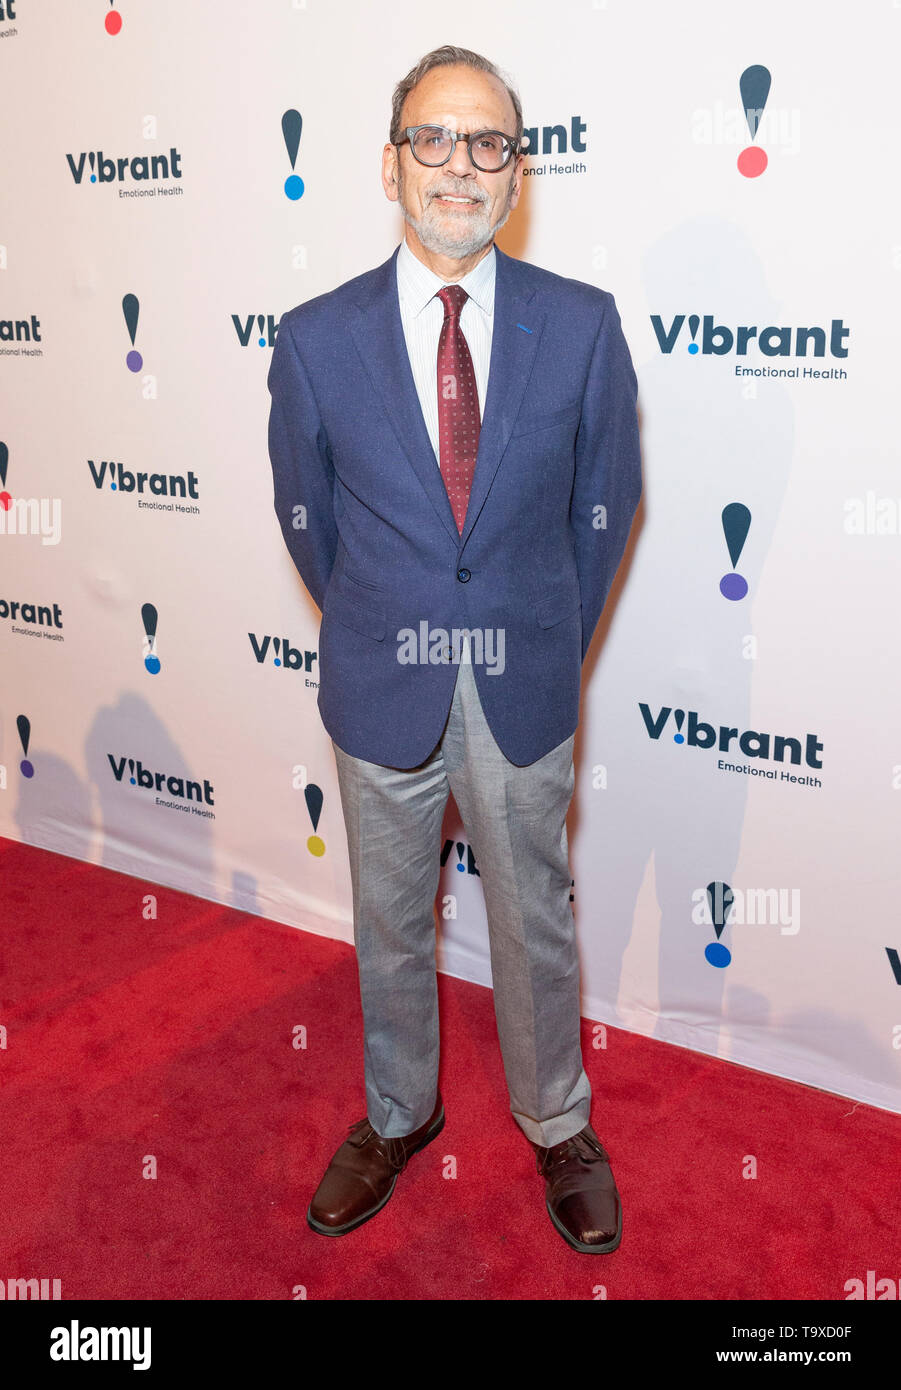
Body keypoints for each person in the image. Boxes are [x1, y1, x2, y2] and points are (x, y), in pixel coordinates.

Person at [267, 44, 641, 1254]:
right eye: (433, 139)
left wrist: (538, 634)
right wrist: (383, 621)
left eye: (488, 143)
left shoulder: (581, 327)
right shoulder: (315, 340)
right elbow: (306, 517)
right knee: (388, 913)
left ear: (516, 172)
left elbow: (606, 503)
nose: (458, 167)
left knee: (533, 912)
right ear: (390, 162)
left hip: (522, 674)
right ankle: (397, 1111)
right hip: (381, 675)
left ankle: (555, 1120)